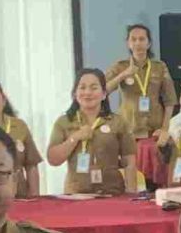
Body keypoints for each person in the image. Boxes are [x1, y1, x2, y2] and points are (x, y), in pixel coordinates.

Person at [47, 68, 132, 197]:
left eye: (93, 88)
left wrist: (132, 196)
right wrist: (75, 138)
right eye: (82, 87)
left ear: (104, 94)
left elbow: (129, 161)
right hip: (76, 195)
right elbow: (53, 159)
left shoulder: (118, 122)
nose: (87, 92)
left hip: (113, 193)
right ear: (75, 93)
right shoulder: (63, 122)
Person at [106, 23, 176, 142]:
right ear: (128, 43)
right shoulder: (120, 66)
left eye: (142, 39)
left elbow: (170, 100)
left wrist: (165, 129)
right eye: (133, 39)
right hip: (128, 131)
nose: (138, 43)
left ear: (148, 43)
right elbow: (103, 91)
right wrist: (124, 75)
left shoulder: (159, 67)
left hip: (154, 131)